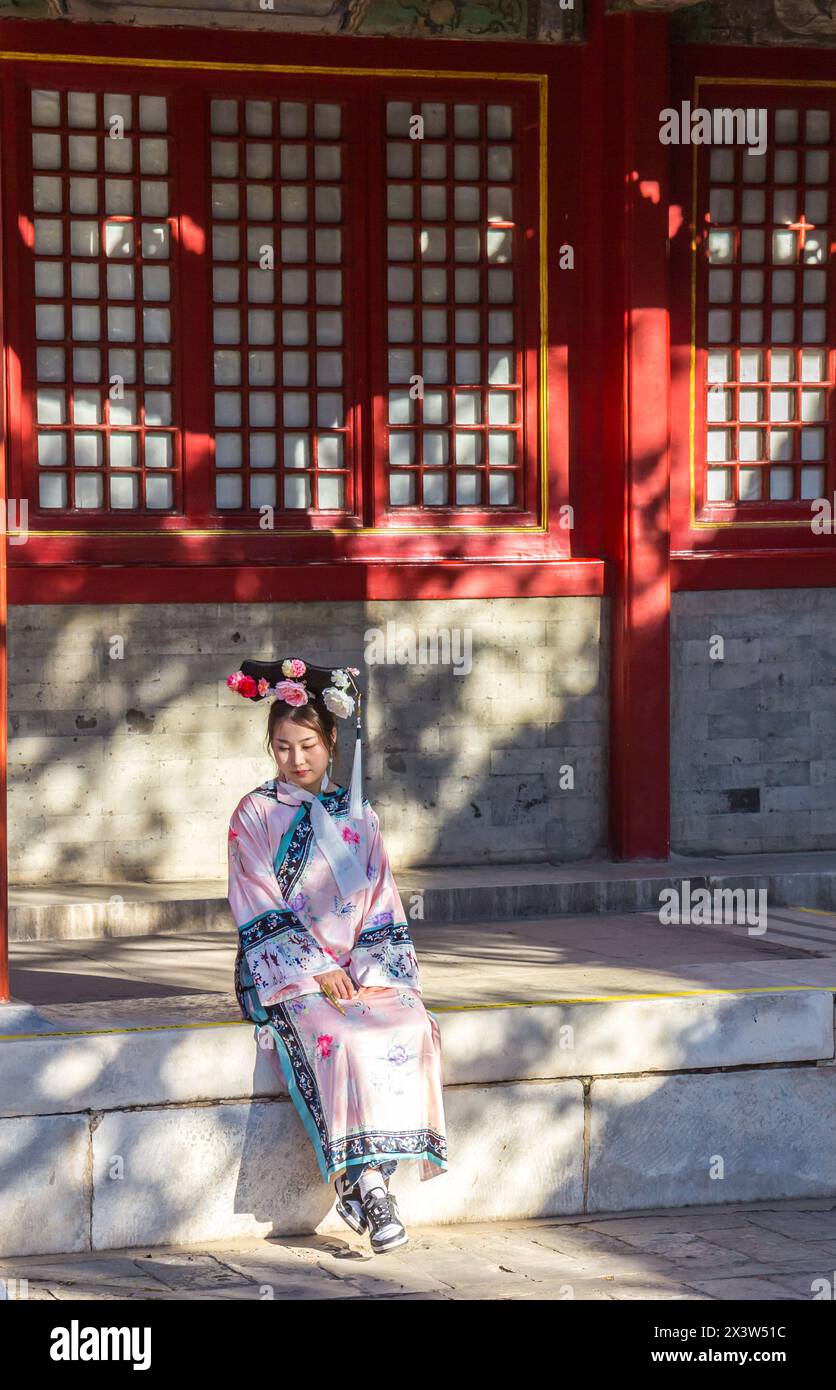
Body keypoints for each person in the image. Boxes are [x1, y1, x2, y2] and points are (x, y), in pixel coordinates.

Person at [226, 656, 448, 1254]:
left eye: (307, 746)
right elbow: (255, 897)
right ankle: (365, 1184)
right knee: (340, 1036)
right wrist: (316, 967)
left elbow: (381, 901)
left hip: (358, 970)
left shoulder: (360, 815)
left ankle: (368, 1181)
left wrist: (376, 974)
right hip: (285, 973)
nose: (295, 761)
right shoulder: (254, 814)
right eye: (281, 748)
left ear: (331, 744)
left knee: (409, 1023)